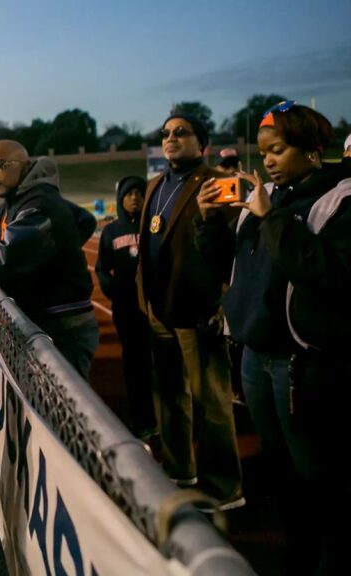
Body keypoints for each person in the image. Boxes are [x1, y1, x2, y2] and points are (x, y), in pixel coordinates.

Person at [196, 102, 350, 573]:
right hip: (257, 359)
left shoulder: (339, 199)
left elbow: (325, 274)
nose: (268, 161)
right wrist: (209, 224)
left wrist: (272, 219)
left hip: (302, 364)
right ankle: (297, 554)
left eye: (278, 150)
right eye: (263, 151)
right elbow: (230, 270)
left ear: (312, 150)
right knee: (281, 473)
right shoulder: (267, 197)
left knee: (318, 478)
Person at [136, 113, 243, 508]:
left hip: (200, 310)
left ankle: (223, 486)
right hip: (159, 309)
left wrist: (224, 301)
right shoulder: (154, 186)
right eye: (165, 133)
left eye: (181, 133)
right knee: (169, 397)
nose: (170, 138)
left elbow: (231, 249)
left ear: (203, 144)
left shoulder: (218, 183)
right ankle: (180, 471)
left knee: (211, 402)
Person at [0, 140, 98, 380]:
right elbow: (85, 219)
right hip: (43, 321)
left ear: (25, 166)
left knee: (65, 410)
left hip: (64, 328)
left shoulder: (41, 203)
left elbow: (4, 259)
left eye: (0, 166)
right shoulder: (9, 205)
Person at [96, 176, 155, 438]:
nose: (135, 198)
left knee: (161, 364)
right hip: (127, 309)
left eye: (139, 193)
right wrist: (114, 291)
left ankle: (162, 418)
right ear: (121, 199)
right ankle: (141, 418)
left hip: (155, 308)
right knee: (134, 364)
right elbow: (101, 267)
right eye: (129, 193)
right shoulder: (111, 231)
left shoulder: (155, 226)